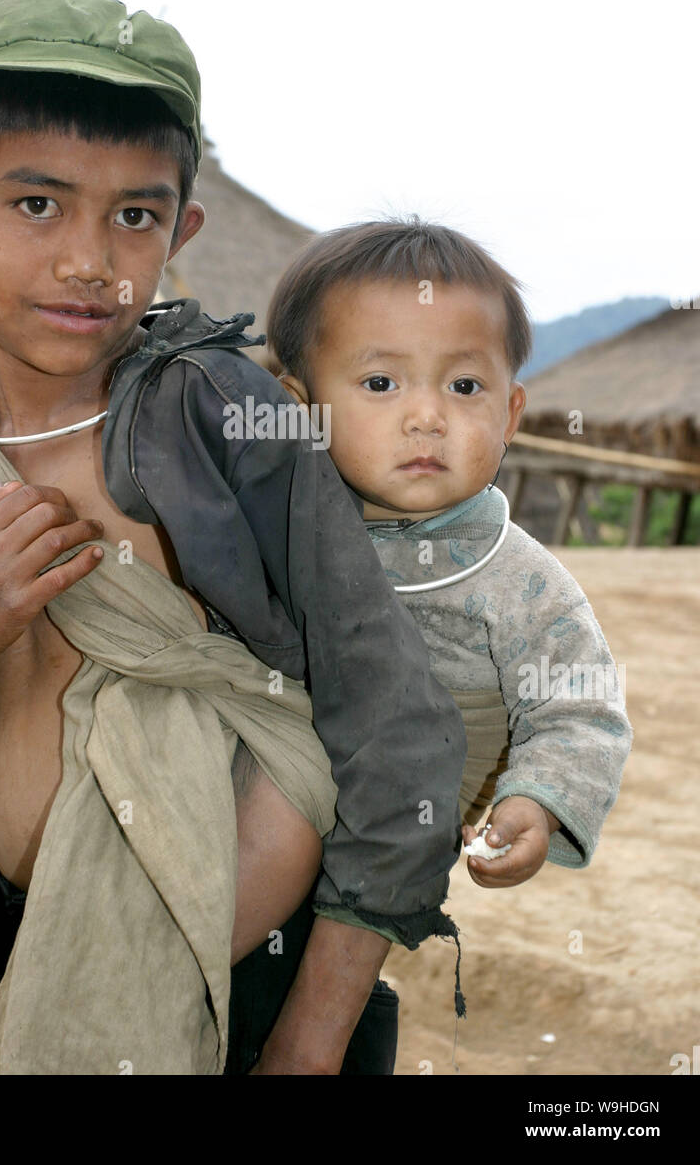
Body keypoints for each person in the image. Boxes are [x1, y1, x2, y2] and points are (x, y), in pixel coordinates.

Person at [0, 0, 467, 1075]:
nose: (89, 258)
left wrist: (310, 1044)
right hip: (53, 959)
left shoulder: (219, 420)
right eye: (35, 204)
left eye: (133, 215)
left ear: (180, 228)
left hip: (272, 992)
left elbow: (395, 721)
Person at [267, 219, 632, 886]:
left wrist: (535, 800)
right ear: (301, 408)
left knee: (356, 927)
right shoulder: (273, 535)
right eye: (381, 384)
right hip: (258, 811)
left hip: (386, 857)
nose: (427, 417)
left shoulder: (518, 580)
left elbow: (580, 705)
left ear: (510, 415)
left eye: (465, 387)